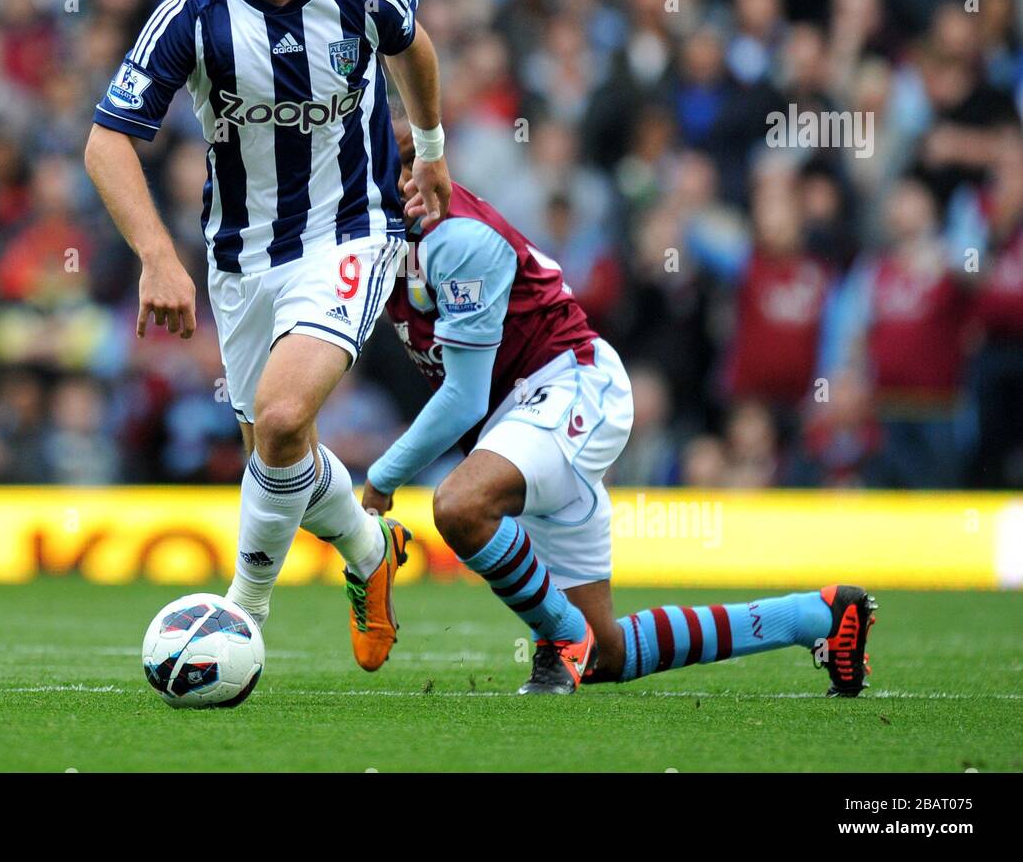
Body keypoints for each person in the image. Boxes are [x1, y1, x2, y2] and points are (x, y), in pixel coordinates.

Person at [84, 0, 452, 670]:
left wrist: (430, 152)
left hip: (351, 232)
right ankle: (370, 551)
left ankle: (239, 615)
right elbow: (107, 141)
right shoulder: (192, 12)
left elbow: (415, 49)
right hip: (239, 258)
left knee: (286, 418)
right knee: (278, 456)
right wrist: (157, 256)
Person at [363, 126, 876, 696]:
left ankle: (560, 637)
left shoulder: (457, 238)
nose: (409, 180)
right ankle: (818, 617)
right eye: (395, 167)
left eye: (417, 163)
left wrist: (380, 481)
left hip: (570, 385)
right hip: (523, 417)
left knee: (460, 505)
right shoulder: (376, 240)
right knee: (606, 655)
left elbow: (465, 396)